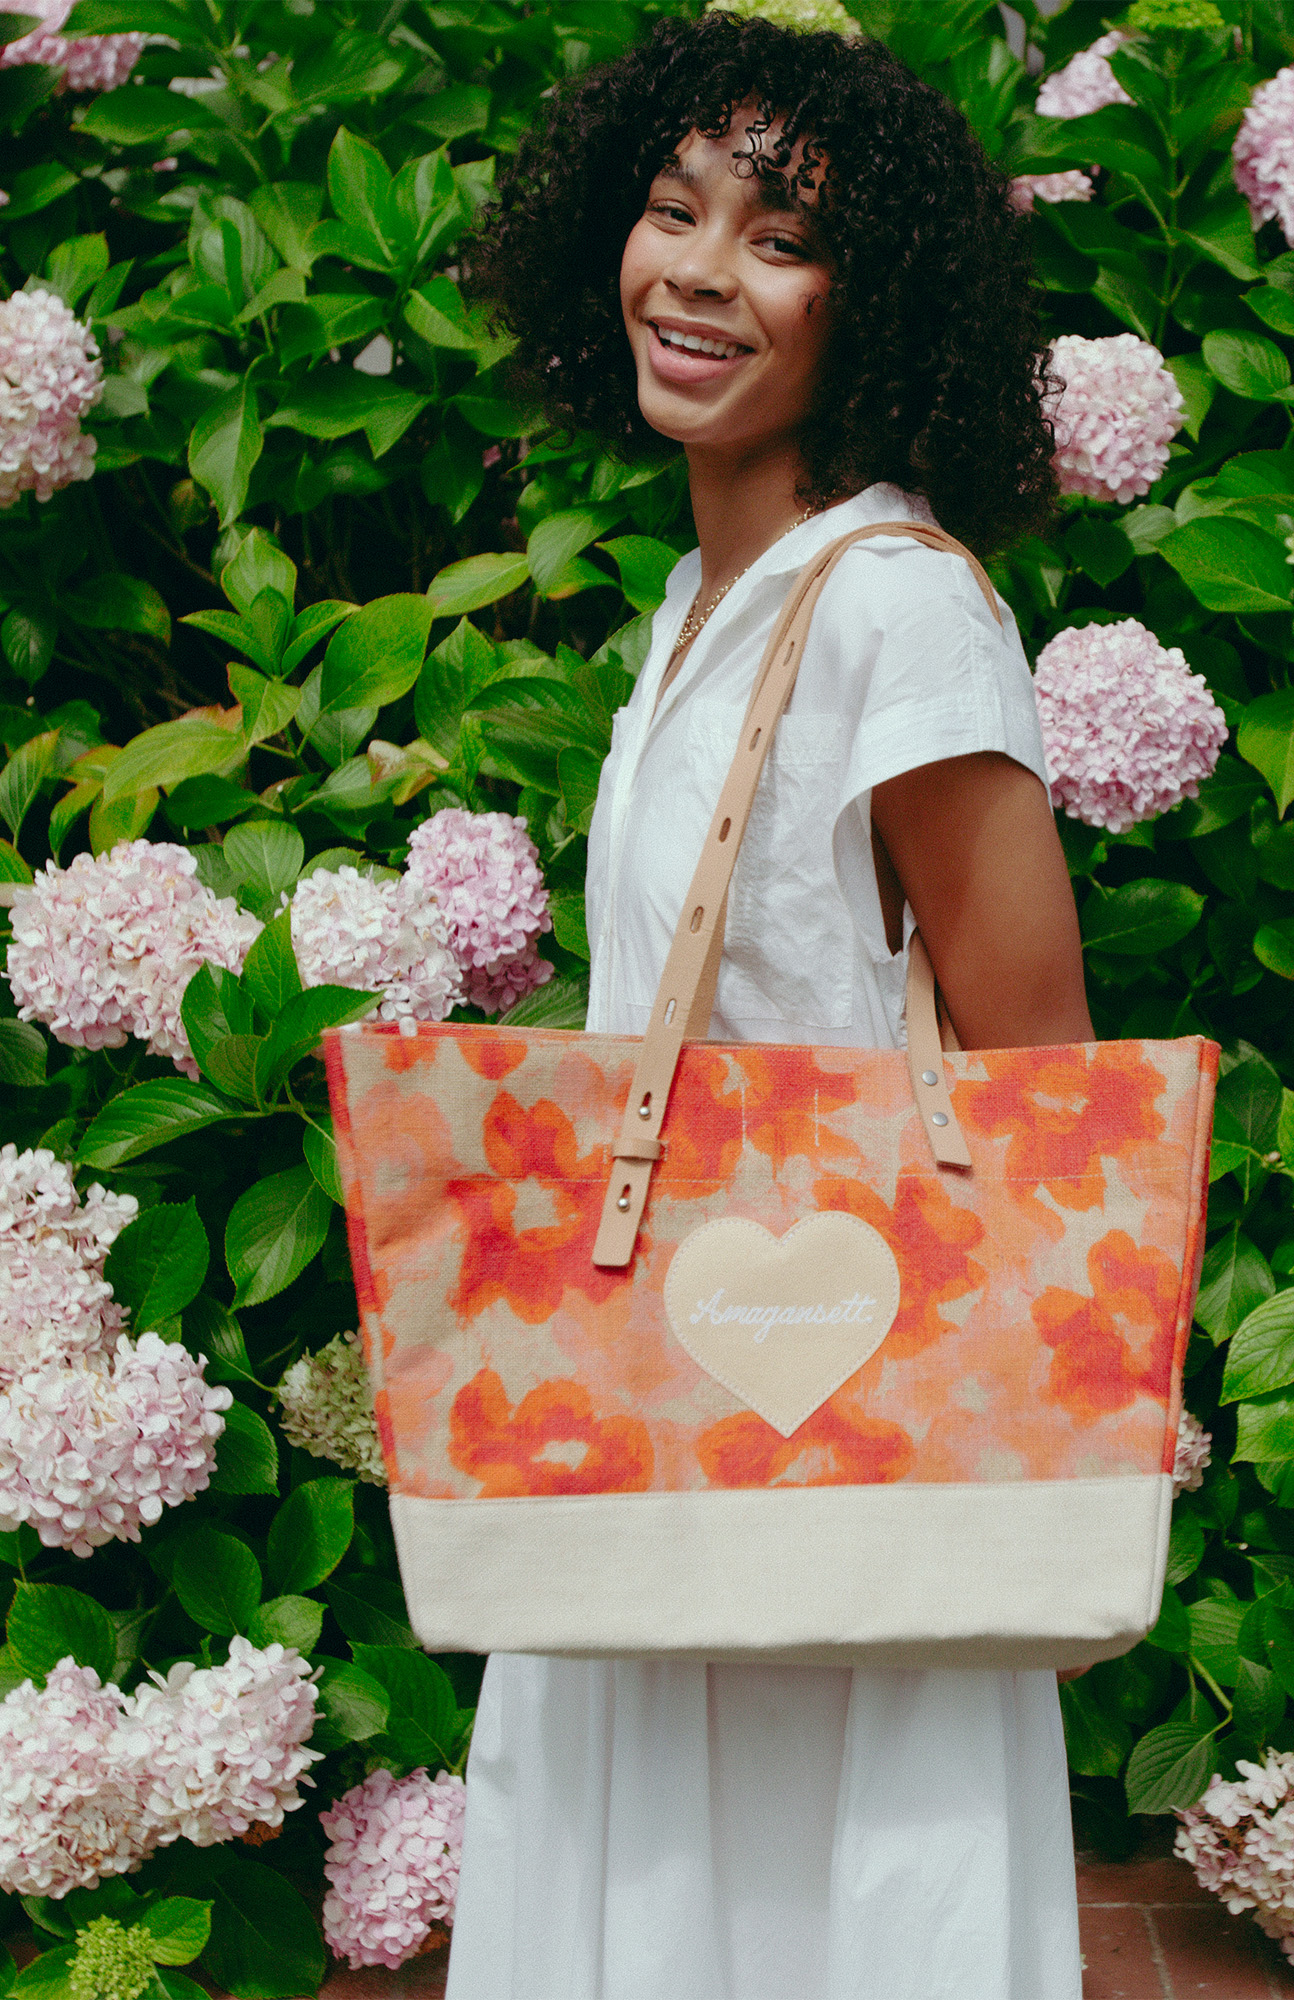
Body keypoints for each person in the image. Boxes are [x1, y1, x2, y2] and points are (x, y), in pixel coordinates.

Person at [449, 13, 1092, 1997]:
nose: (699, 271)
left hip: (845, 1406)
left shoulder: (895, 609)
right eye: (670, 209)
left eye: (778, 233)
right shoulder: (707, 595)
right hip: (673, 1381)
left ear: (871, 296)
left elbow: (1042, 1087)